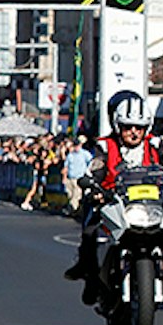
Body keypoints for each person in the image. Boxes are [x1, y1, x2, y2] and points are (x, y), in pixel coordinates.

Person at [64, 90, 157, 301]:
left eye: (139, 127)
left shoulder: (155, 146)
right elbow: (94, 169)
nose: (133, 132)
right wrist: (93, 187)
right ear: (117, 125)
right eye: (128, 127)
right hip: (112, 202)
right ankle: (91, 277)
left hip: (149, 205)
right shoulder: (105, 146)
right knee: (90, 232)